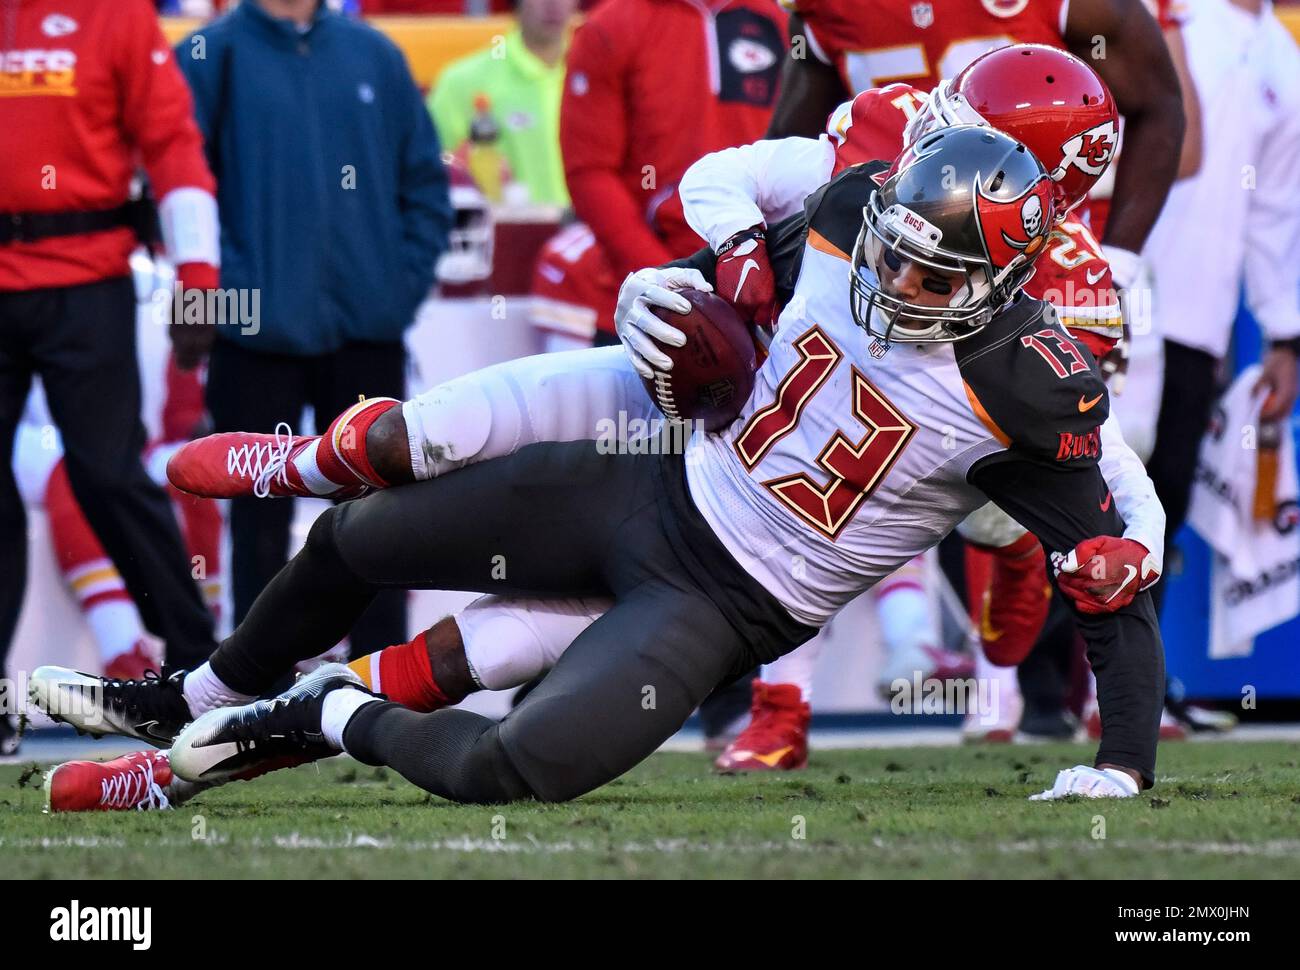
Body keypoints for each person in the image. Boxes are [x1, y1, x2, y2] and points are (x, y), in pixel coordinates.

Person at [36, 125, 1164, 805]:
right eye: (893, 249)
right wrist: (663, 296)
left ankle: (324, 713)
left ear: (993, 281)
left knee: (518, 768)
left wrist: (1121, 764)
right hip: (654, 482)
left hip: (724, 604)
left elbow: (1109, 580)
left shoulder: (1025, 387)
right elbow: (712, 297)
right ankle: (193, 700)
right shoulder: (844, 212)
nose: (892, 277)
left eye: (929, 275)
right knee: (362, 532)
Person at [174, 0, 453, 657]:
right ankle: (254, 683)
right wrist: (223, 302)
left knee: (384, 514)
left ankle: (381, 681)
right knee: (258, 520)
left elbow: (425, 184)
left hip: (367, 331)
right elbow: (182, 188)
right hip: (252, 337)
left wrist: (393, 288)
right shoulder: (209, 53)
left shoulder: (375, 55)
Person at [0, 0, 222, 753]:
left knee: (107, 475)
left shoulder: (114, 16)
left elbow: (171, 141)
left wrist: (198, 276)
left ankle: (197, 667)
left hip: (87, 276)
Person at [427, 0, 578, 207]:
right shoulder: (463, 81)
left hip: (593, 231)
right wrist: (463, 172)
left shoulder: (601, 74)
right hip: (504, 233)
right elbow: (427, 169)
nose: (553, 4)